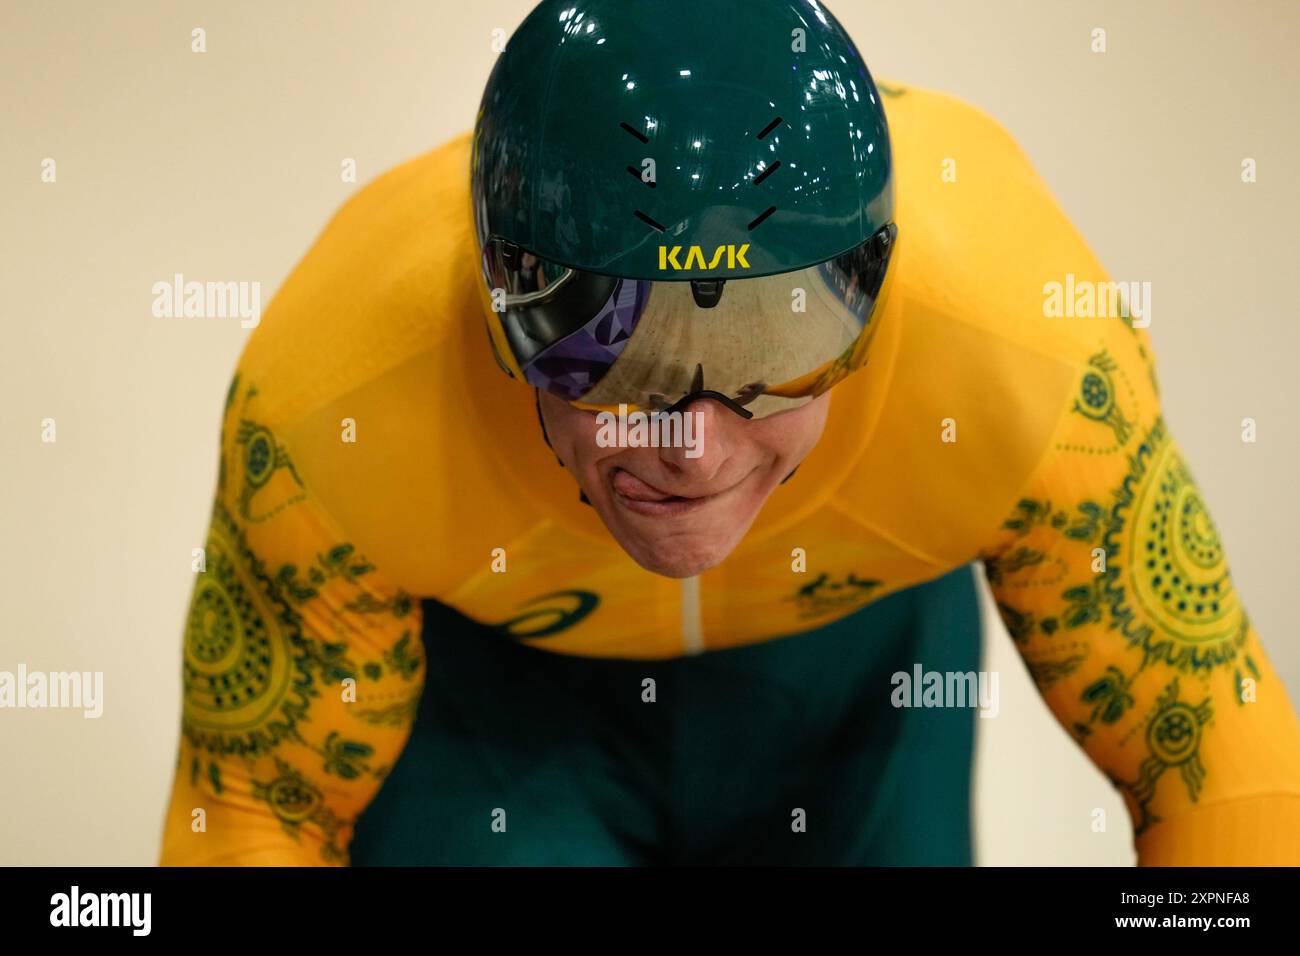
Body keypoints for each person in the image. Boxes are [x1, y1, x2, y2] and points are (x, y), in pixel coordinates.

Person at [159, 0, 1300, 866]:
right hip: (506, 690)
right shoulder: (333, 405)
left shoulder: (1031, 358)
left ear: (880, 295)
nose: (692, 451)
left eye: (771, 347)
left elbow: (1202, 764)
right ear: (501, 301)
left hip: (845, 670)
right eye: (610, 350)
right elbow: (260, 806)